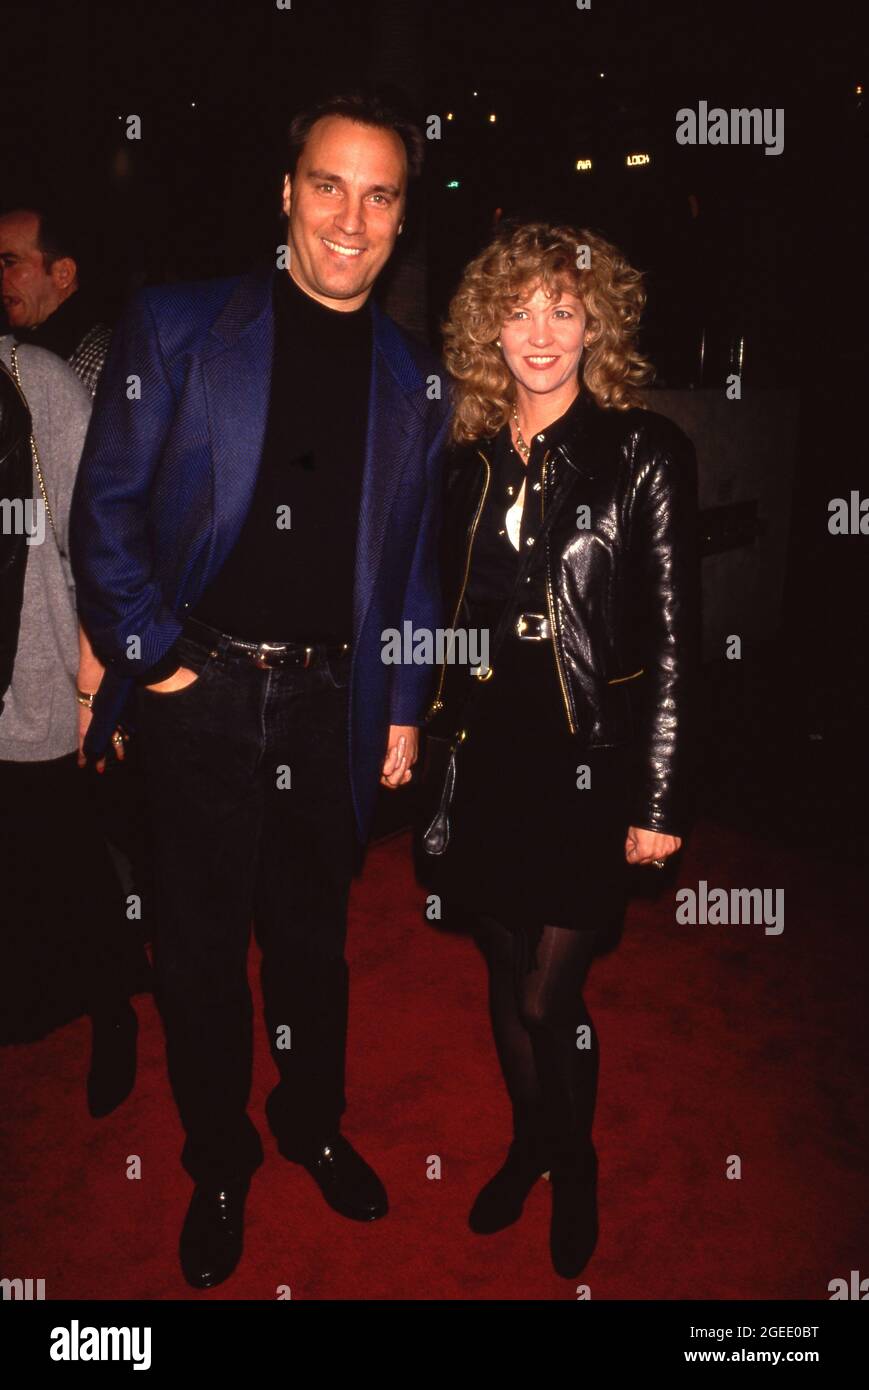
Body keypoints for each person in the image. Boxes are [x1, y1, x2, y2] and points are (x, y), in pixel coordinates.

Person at [69, 91, 451, 1290]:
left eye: (378, 193)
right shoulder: (179, 326)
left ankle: (311, 1121)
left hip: (335, 703)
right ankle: (219, 1156)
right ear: (286, 193)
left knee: (311, 943)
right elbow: (105, 511)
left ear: (400, 215)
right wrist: (155, 656)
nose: (351, 216)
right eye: (328, 185)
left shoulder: (413, 374)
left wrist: (401, 703)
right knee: (195, 948)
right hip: (206, 690)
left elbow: (415, 562)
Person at [416, 221, 700, 1278]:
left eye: (562, 309)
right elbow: (440, 608)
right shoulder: (468, 461)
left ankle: (569, 1161)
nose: (539, 332)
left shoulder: (643, 452)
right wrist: (416, 725)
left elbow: (673, 641)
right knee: (499, 963)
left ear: (596, 323)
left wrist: (659, 798)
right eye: (519, 309)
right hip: (487, 754)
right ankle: (527, 1142)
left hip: (591, 761)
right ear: (489, 324)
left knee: (549, 993)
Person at [0, 337, 143, 1113]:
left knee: (68, 859)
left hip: (34, 675)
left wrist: (94, 682)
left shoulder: (35, 380)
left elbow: (97, 539)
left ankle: (111, 1007)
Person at [0, 206, 112, 396]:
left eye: (10, 263)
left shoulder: (110, 362)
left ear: (63, 274)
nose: (2, 277)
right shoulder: (10, 352)